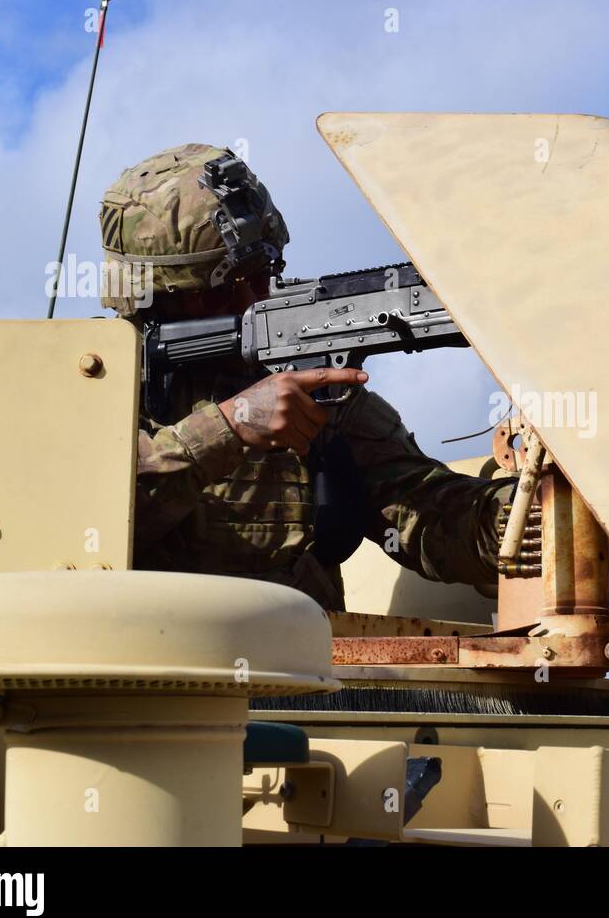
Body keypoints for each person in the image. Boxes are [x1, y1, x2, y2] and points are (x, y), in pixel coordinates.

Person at [99, 143, 510, 610]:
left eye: (267, 272)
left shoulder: (315, 393)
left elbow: (425, 520)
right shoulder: (95, 381)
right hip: (148, 673)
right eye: (227, 285)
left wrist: (519, 518)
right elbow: (82, 522)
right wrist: (229, 427)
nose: (257, 297)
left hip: (305, 671)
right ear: (163, 296)